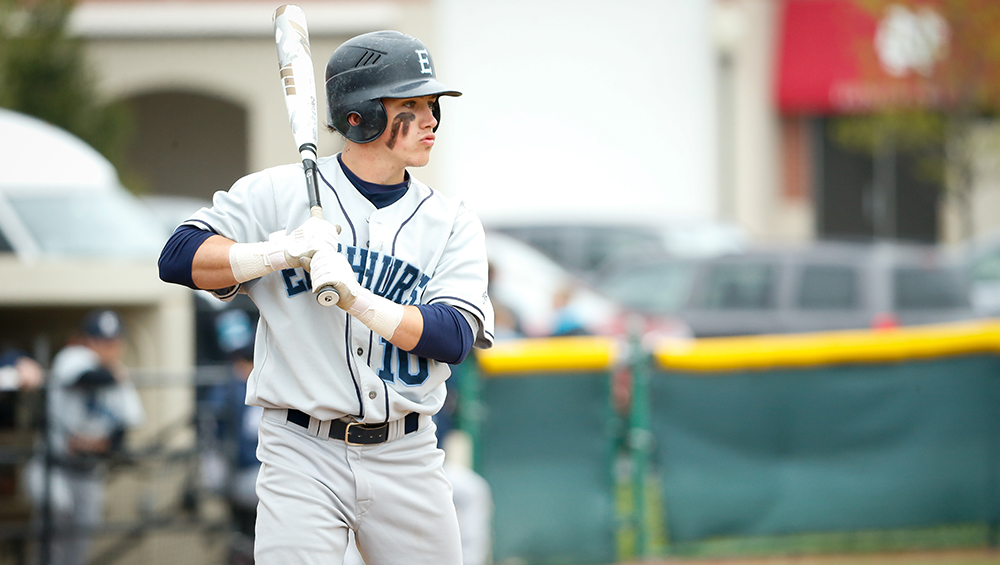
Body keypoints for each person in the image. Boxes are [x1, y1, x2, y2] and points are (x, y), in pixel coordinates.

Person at [158, 30, 495, 565]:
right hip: (301, 449)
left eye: (432, 105)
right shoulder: (276, 193)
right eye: (410, 104)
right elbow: (178, 257)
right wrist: (278, 252)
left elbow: (452, 337)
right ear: (360, 112)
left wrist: (356, 298)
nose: (431, 119)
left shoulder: (451, 222)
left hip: (406, 452)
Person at [25, 309, 145, 565]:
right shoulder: (73, 357)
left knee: (80, 547)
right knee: (52, 540)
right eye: (101, 341)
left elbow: (123, 431)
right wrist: (113, 374)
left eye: (114, 342)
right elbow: (86, 378)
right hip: (54, 468)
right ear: (86, 340)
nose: (108, 348)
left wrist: (103, 444)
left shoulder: (120, 378)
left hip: (89, 473)